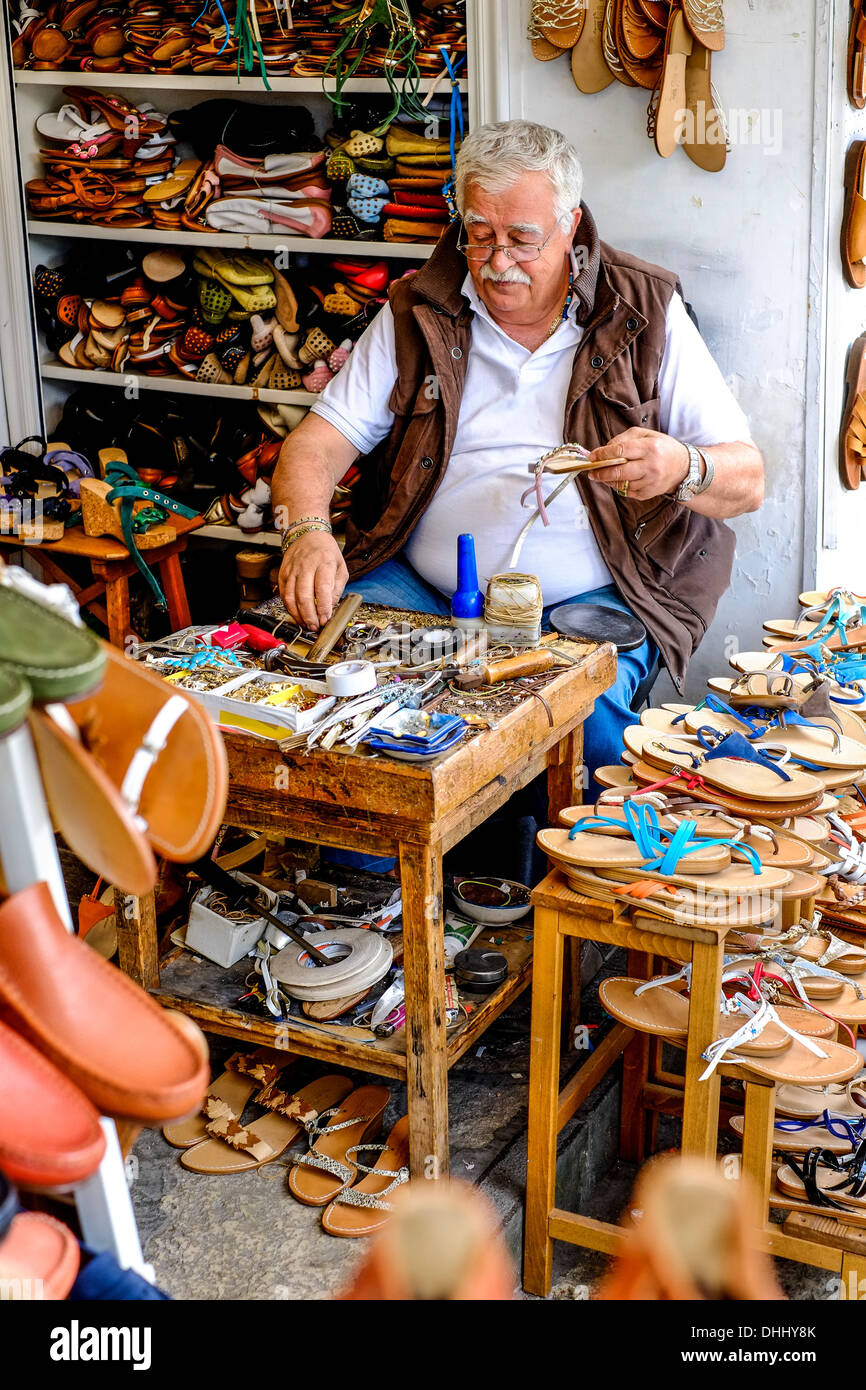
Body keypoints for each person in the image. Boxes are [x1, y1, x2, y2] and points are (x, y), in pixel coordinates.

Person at [272, 119, 763, 787]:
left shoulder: (643, 308)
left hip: (591, 597)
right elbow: (315, 444)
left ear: (571, 227)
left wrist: (680, 467)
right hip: (422, 587)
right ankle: (374, 883)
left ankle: (578, 880)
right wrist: (305, 530)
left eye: (522, 241)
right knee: (345, 693)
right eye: (479, 235)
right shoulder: (420, 310)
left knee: (583, 724)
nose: (498, 262)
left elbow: (748, 479)